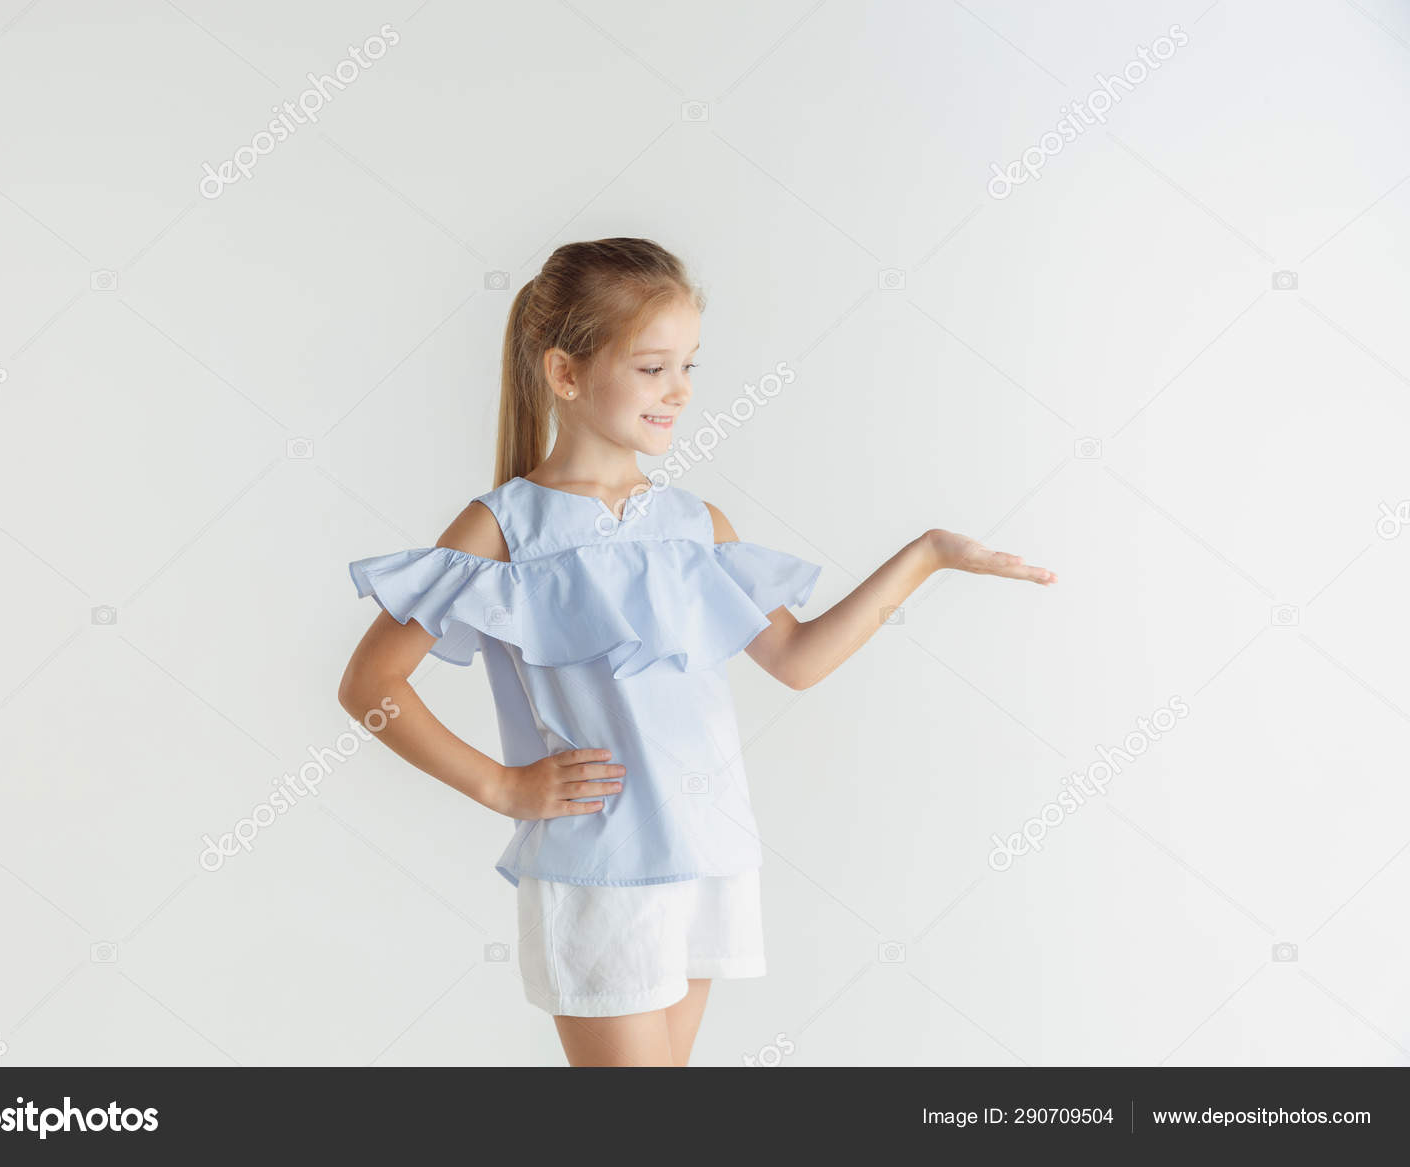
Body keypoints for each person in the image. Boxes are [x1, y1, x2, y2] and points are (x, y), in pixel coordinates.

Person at [340, 237, 1056, 1066]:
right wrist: (503, 784)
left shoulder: (694, 525)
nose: (679, 390)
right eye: (652, 368)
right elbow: (370, 681)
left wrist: (926, 554)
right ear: (566, 374)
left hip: (705, 857)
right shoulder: (505, 527)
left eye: (689, 365)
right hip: (598, 868)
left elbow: (796, 659)